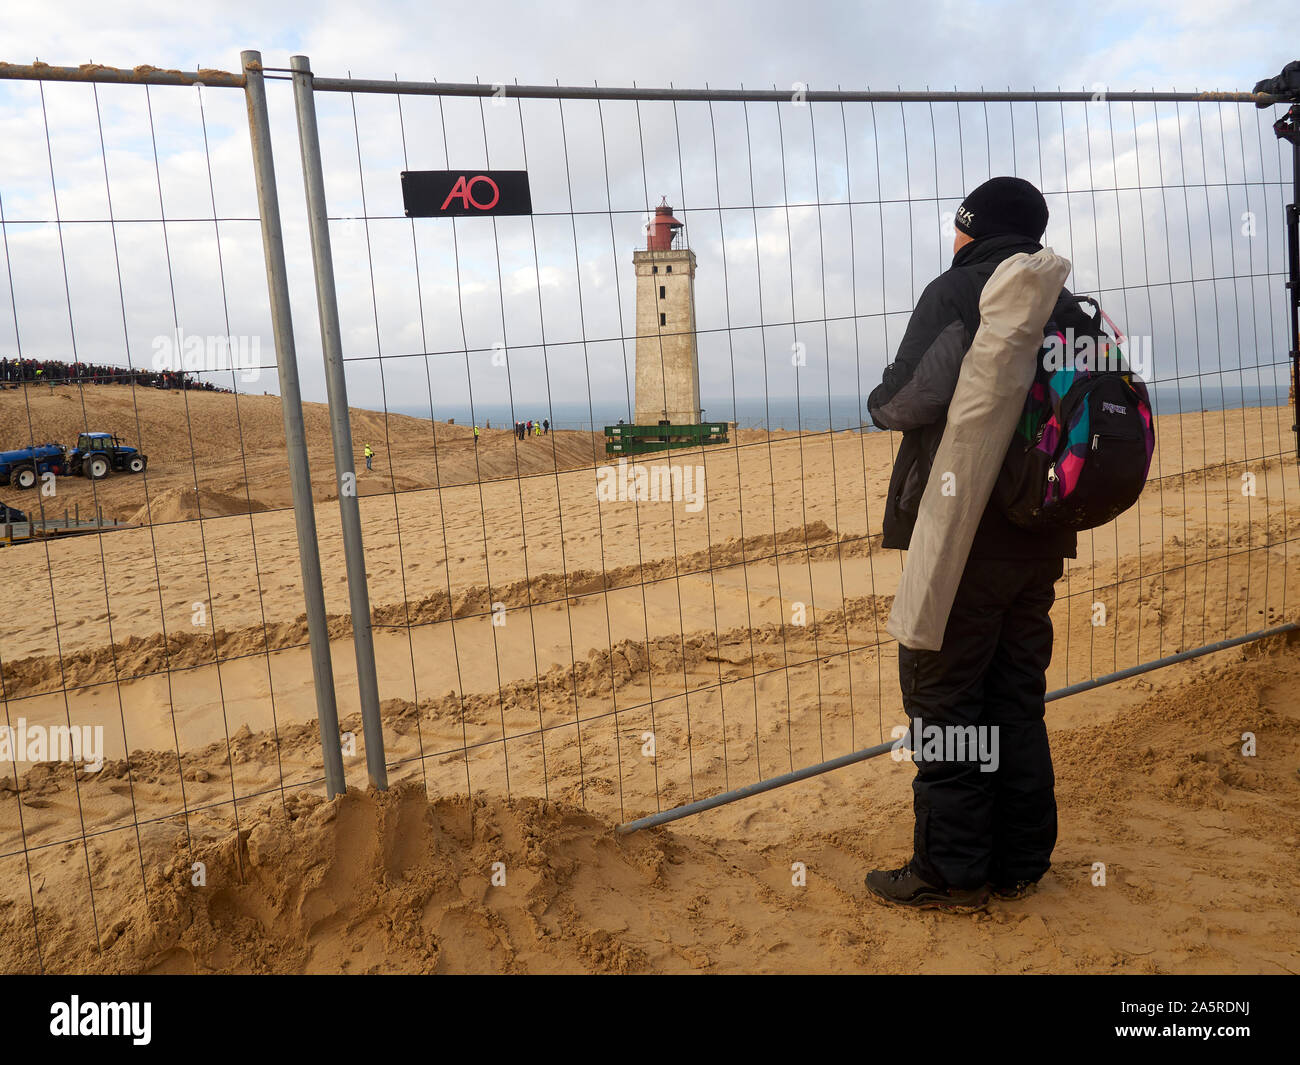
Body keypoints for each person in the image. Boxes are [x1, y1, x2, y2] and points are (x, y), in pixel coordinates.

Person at [864, 176, 1078, 913]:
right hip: (1042, 532)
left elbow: (902, 401)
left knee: (945, 697)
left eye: (957, 228)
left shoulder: (959, 290)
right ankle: (1019, 860)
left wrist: (876, 397)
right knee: (1015, 695)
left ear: (972, 229)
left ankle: (949, 873)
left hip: (964, 537)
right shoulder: (1064, 299)